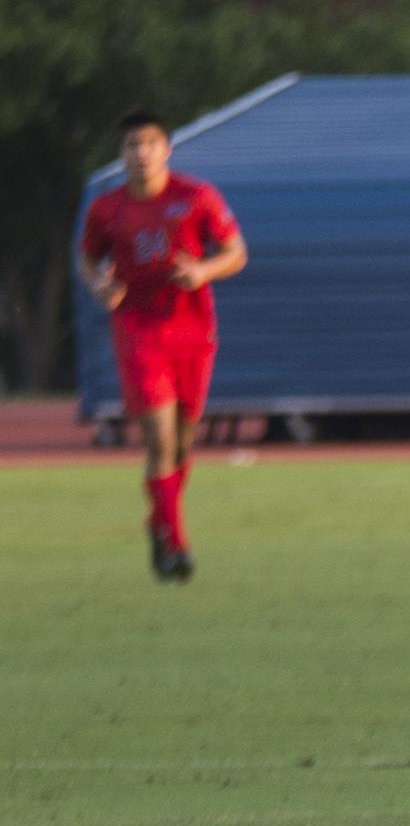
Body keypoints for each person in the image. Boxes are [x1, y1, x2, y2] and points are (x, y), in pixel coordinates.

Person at [79, 108, 248, 582]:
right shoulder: (106, 208)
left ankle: (158, 522)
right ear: (122, 153)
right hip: (139, 328)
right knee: (159, 439)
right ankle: (176, 544)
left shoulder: (196, 197)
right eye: (132, 145)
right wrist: (99, 286)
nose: (141, 153)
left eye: (150, 143)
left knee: (184, 442)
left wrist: (203, 271)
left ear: (166, 149)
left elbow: (237, 253)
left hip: (193, 330)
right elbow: (87, 259)